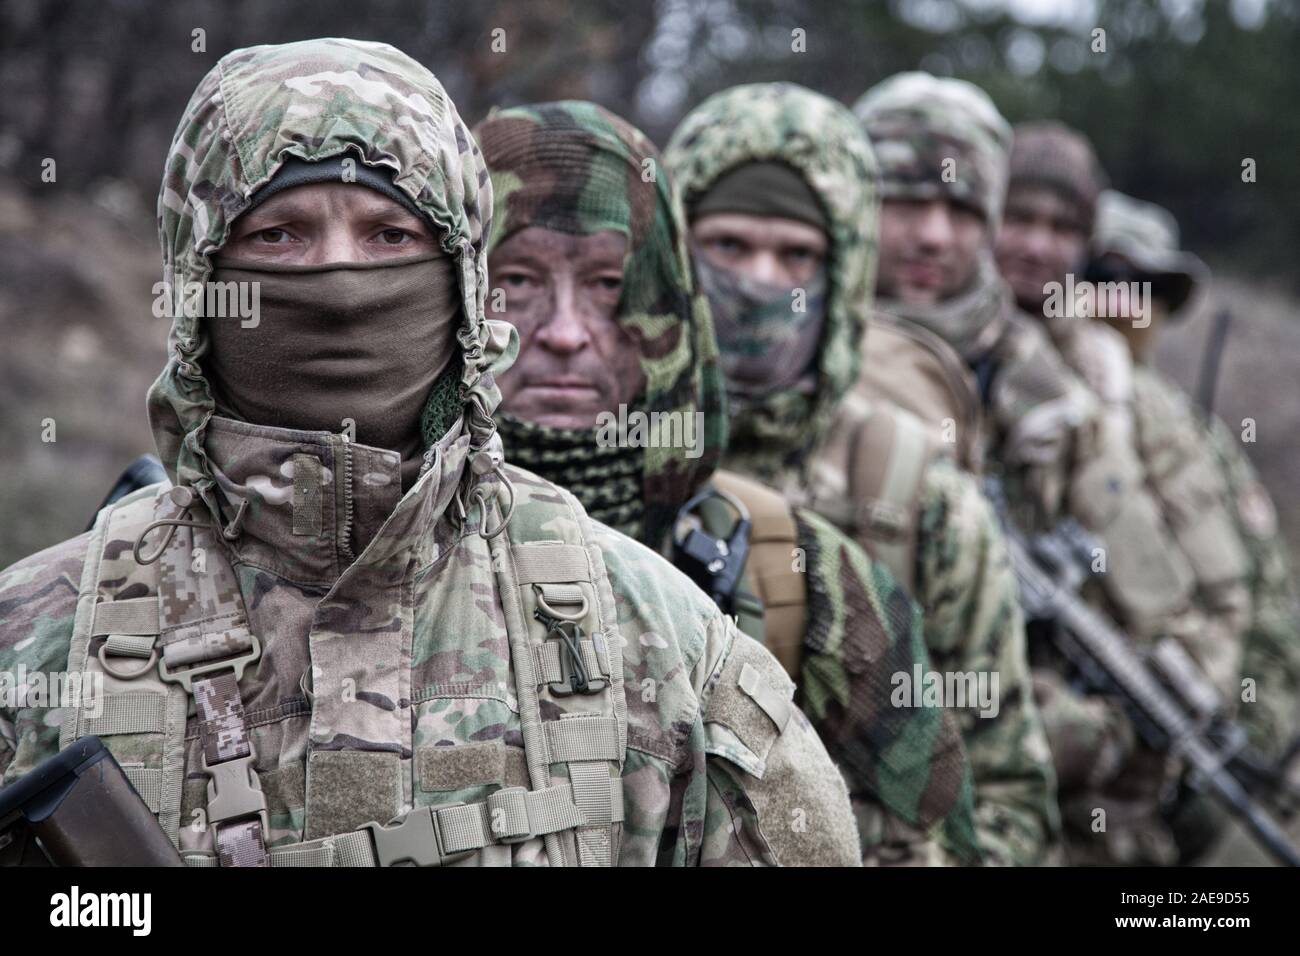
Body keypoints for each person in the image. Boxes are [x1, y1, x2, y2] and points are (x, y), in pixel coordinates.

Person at [0, 38, 862, 868]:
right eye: (279, 235)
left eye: (388, 236)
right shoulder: (36, 642)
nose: (339, 283)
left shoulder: (655, 639)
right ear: (201, 283)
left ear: (461, 280)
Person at [475, 99, 983, 864]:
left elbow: (961, 831)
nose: (566, 331)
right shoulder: (359, 554)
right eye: (516, 279)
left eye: (612, 285)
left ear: (666, 299)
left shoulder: (803, 571)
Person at [665, 82, 1060, 866]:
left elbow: (1011, 802)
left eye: (797, 256)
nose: (761, 281)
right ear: (674, 255)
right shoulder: (590, 466)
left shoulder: (920, 496)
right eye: (730, 247)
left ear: (841, 273)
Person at [852, 73, 1239, 864]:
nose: (933, 236)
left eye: (963, 211)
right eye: (903, 203)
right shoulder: (789, 363)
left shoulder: (1054, 393)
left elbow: (1155, 589)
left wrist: (1108, 727)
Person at [1088, 190, 1300, 794]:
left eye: (1151, 288)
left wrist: (1255, 742)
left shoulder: (1198, 438)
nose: (1127, 303)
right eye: (1106, 277)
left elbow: (1265, 600)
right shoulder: (1041, 418)